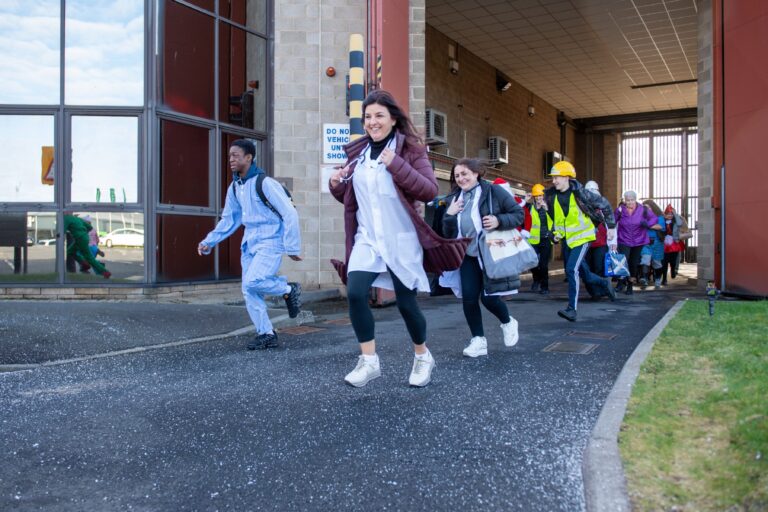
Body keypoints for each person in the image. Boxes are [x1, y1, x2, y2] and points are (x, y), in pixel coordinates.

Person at [328, 89, 467, 388]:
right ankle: (369, 361)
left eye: (379, 115)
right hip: (367, 238)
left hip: (400, 238)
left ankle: (422, 355)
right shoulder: (359, 154)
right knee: (355, 292)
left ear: (393, 119)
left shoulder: (410, 151)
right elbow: (356, 198)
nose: (372, 122)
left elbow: (429, 191)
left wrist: (397, 164)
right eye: (368, 117)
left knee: (406, 303)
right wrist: (336, 184)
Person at [198, 139, 302, 351]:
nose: (231, 159)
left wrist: (292, 247)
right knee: (249, 289)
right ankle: (266, 334)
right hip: (249, 244)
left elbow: (290, 213)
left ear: (249, 157)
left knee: (254, 281)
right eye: (229, 156)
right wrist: (209, 240)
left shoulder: (266, 183)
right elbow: (229, 219)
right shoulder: (235, 187)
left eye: (236, 155)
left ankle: (288, 289)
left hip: (271, 241)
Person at [442, 159, 524, 357]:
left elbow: (518, 214)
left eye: (465, 173)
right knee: (469, 299)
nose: (461, 178)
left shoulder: (493, 191)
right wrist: (449, 214)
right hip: (467, 254)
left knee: (489, 298)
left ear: (476, 173)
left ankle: (508, 321)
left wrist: (498, 220)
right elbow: (447, 232)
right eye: (457, 175)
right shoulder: (454, 196)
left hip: (490, 253)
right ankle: (478, 340)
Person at [543, 161, 617, 321]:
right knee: (584, 274)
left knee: (571, 270)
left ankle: (572, 309)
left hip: (583, 237)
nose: (554, 181)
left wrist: (610, 226)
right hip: (568, 240)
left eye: (557, 177)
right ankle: (604, 284)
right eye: (553, 178)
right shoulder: (552, 196)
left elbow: (604, 205)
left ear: (567, 177)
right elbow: (559, 220)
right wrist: (555, 235)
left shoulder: (581, 193)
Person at [614, 190, 661, 295]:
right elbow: (613, 221)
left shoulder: (643, 209)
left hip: (638, 240)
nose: (630, 202)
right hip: (623, 239)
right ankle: (621, 282)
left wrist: (647, 224)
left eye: (632, 200)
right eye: (627, 200)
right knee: (623, 261)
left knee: (633, 264)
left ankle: (630, 285)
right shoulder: (620, 210)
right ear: (624, 200)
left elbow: (654, 218)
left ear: (635, 200)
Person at [63, 214, 111, 279]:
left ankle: (105, 272)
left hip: (80, 239)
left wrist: (71, 231)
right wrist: (84, 232)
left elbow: (62, 231)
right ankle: (84, 263)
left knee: (89, 258)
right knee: (70, 251)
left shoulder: (65, 218)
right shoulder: (78, 219)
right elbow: (90, 228)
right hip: (84, 239)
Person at [527, 183, 552, 295]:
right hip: (533, 240)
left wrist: (547, 209)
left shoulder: (549, 207)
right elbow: (518, 210)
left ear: (543, 196)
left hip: (546, 239)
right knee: (532, 263)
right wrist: (525, 200)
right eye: (536, 196)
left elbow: (556, 220)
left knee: (543, 265)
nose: (538, 198)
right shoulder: (530, 208)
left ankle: (544, 287)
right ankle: (536, 279)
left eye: (540, 196)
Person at [583, 180, 609, 279]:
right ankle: (593, 288)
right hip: (586, 242)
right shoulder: (581, 207)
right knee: (588, 268)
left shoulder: (603, 208)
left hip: (600, 243)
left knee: (599, 267)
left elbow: (610, 224)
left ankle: (600, 288)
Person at [661, 204, 690, 285]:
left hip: (674, 242)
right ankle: (664, 279)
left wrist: (675, 214)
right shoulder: (662, 220)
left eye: (671, 214)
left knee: (673, 260)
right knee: (664, 262)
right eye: (668, 214)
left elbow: (680, 223)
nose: (670, 216)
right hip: (665, 243)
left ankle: (673, 270)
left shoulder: (676, 221)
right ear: (665, 214)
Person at [640, 199, 666, 288]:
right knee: (645, 260)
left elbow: (660, 227)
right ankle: (644, 279)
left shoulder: (659, 217)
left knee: (657, 262)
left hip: (657, 243)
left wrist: (647, 224)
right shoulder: (641, 217)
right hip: (645, 242)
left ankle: (658, 279)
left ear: (653, 208)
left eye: (648, 207)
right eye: (644, 208)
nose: (646, 209)